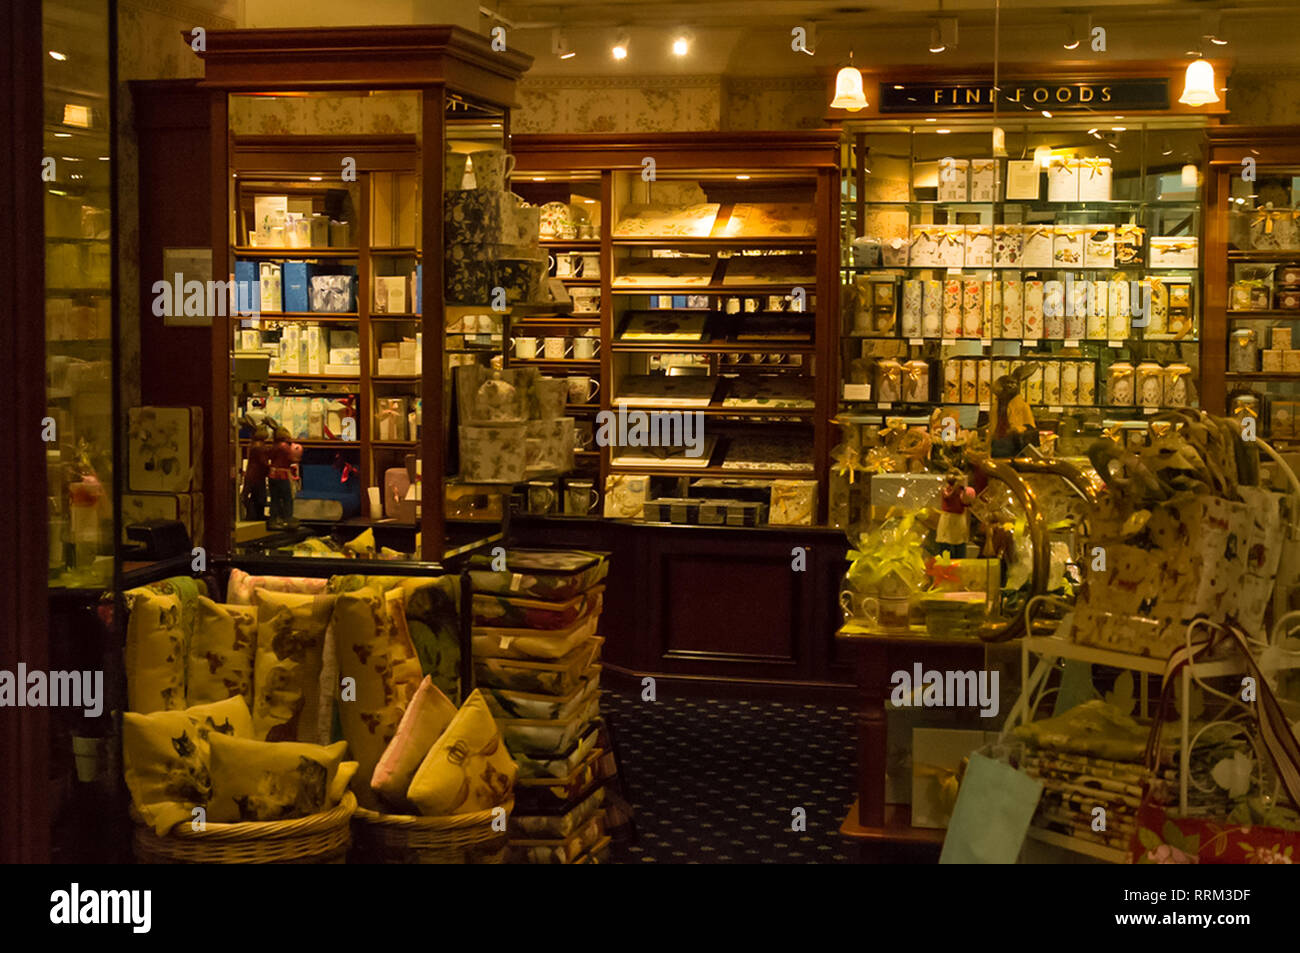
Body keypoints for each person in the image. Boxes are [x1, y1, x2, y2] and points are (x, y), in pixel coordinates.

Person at [267, 424, 303, 529]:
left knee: (275, 498)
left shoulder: (274, 445)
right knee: (287, 497)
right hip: (282, 475)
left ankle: (274, 519)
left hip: (273, 474)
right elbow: (291, 459)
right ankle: (288, 518)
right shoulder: (286, 447)